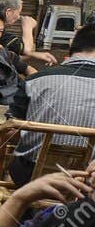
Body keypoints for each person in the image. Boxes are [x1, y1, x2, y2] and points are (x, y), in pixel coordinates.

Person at [9, 21, 95, 184]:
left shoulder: (35, 81)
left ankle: (23, 205)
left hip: (31, 176)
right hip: (87, 182)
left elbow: (11, 130)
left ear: (73, 47)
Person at [0, 0, 56, 69]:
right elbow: (27, 49)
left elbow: (9, 56)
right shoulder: (0, 35)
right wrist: (28, 27)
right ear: (8, 12)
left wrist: (34, 54)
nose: (19, 17)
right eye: (18, 12)